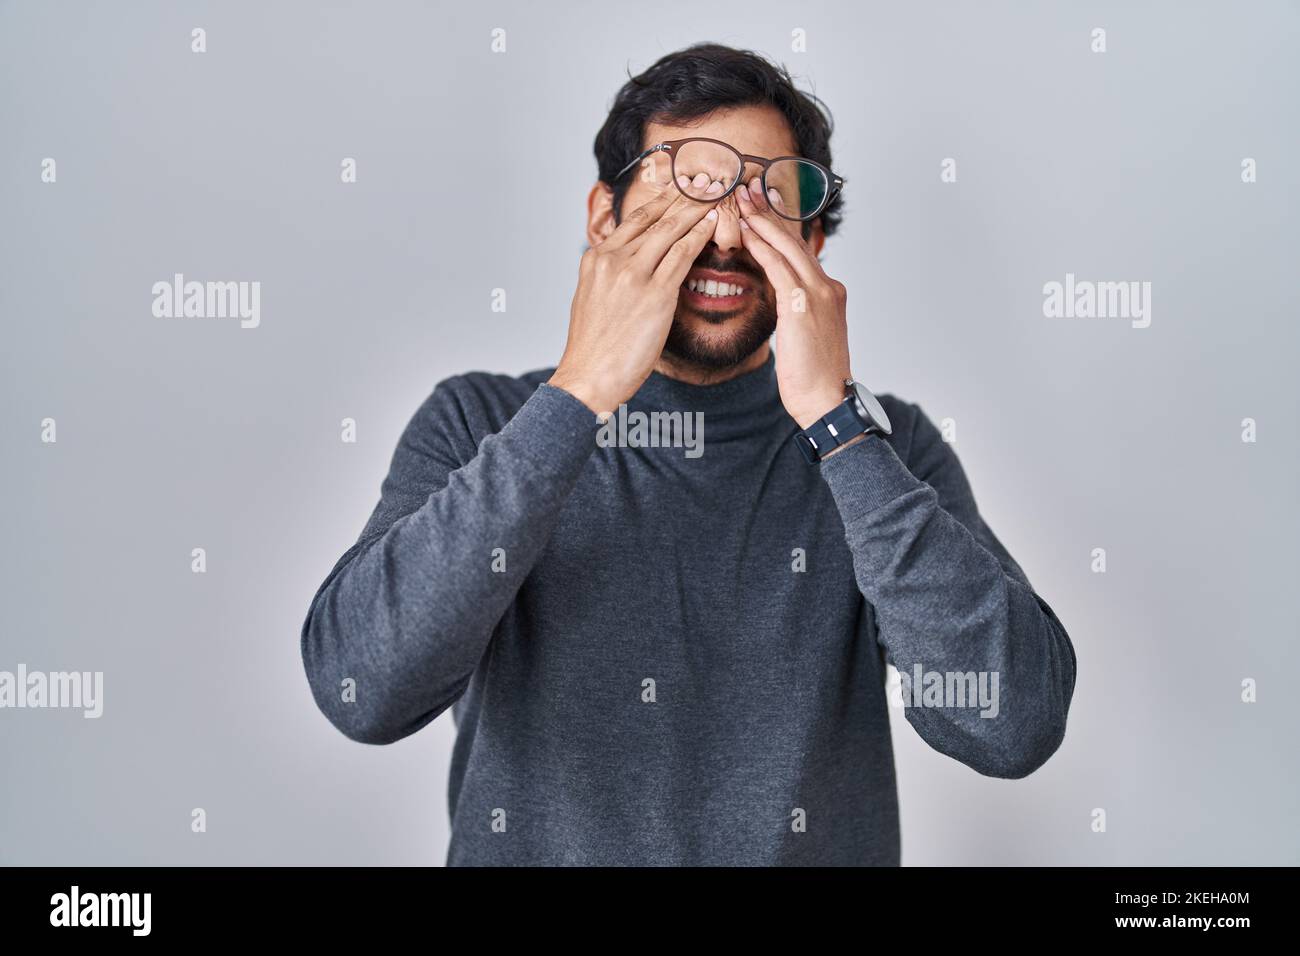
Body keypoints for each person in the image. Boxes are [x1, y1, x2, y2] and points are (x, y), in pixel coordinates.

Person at [301, 42, 1077, 866]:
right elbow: (363, 690)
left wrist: (836, 423)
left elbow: (1012, 726)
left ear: (813, 243)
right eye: (691, 189)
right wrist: (581, 392)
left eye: (768, 198)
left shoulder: (888, 449)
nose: (727, 235)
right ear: (606, 217)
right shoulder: (478, 421)